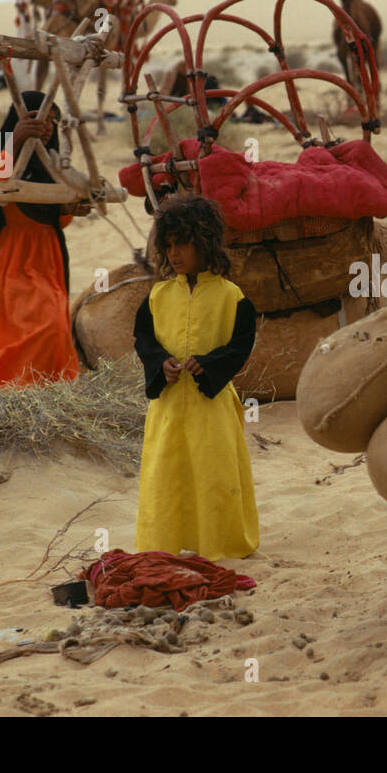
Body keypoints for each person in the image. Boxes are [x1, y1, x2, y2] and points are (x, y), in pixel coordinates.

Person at [133, 193, 259, 561]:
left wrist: (211, 363)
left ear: (203, 242)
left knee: (213, 476)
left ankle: (219, 545)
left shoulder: (232, 297)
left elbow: (241, 345)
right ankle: (165, 545)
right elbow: (143, 338)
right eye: (168, 246)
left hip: (212, 406)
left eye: (182, 244)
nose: (174, 254)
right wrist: (161, 364)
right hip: (169, 408)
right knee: (166, 475)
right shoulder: (157, 296)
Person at [0, 92, 87, 389]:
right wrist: (17, 139)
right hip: (16, 259)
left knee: (55, 327)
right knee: (34, 328)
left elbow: (59, 218)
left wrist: (72, 206)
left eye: (52, 120)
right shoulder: (9, 156)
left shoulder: (52, 165)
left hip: (49, 255)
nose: (47, 126)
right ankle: (18, 395)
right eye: (38, 119)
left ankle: (46, 396)